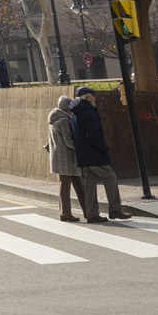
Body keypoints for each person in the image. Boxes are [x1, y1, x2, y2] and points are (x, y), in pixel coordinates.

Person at [48, 86, 127, 222]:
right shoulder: (84, 114)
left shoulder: (73, 114)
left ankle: (91, 213)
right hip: (84, 154)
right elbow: (90, 135)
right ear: (88, 97)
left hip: (80, 156)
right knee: (110, 177)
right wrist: (103, 147)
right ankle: (115, 209)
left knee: (88, 183)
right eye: (93, 95)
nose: (95, 98)